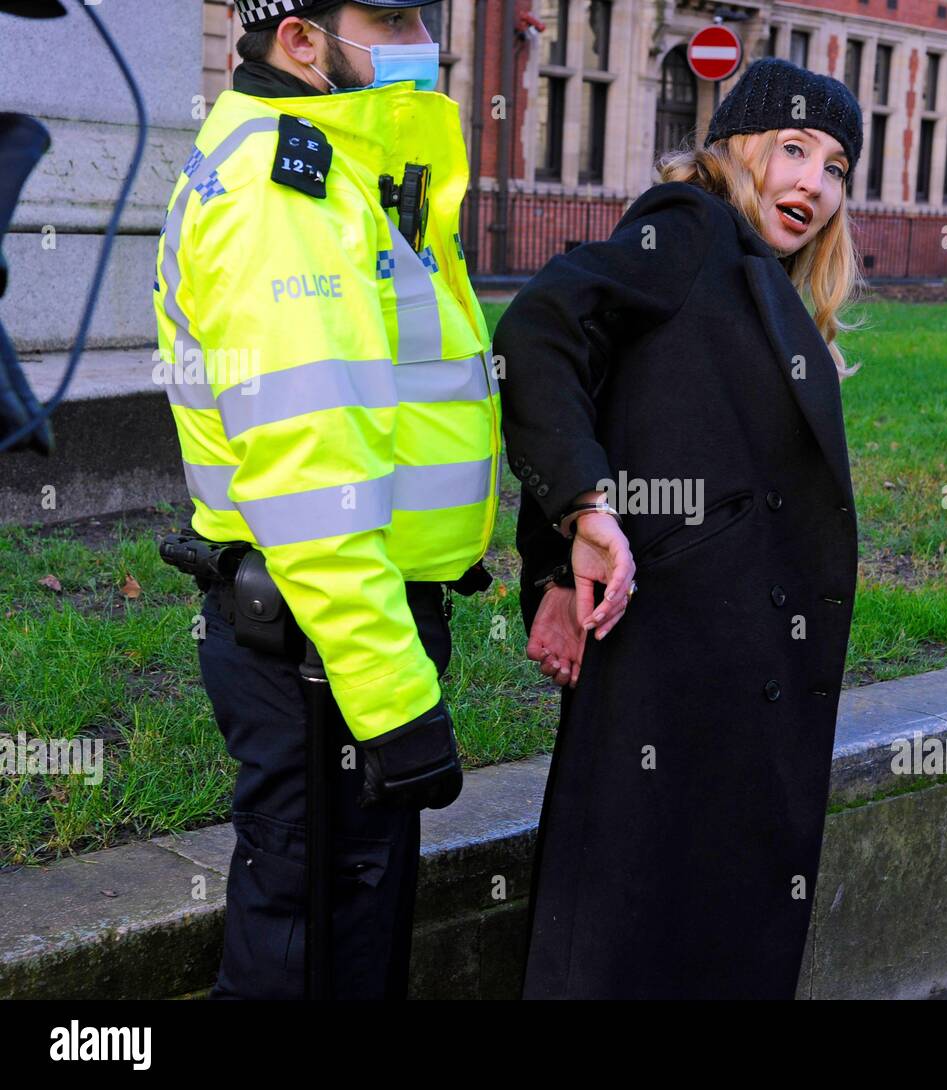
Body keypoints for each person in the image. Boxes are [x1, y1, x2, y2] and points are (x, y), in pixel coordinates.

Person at [493, 57, 863, 999]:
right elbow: (540, 334)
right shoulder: (691, 227)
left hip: (720, 666)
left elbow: (606, 392)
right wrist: (581, 515)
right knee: (640, 933)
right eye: (793, 149)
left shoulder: (753, 273)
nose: (813, 185)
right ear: (736, 147)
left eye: (835, 168)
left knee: (680, 928)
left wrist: (551, 573)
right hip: (680, 661)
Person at [152, 0, 498, 999]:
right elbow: (311, 478)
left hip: (330, 629)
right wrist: (393, 702)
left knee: (337, 931)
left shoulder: (319, 163)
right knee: (310, 956)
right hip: (324, 646)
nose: (420, 43)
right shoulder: (287, 194)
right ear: (300, 41)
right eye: (389, 18)